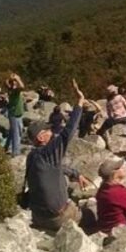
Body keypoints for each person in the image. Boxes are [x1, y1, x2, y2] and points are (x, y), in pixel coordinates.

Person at [24, 79, 88, 231]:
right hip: (56, 217)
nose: (51, 132)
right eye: (47, 131)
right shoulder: (48, 151)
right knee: (89, 215)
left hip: (37, 215)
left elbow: (57, 167)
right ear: (40, 138)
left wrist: (75, 174)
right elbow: (68, 133)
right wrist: (79, 103)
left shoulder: (32, 155)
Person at [5, 74, 26, 156]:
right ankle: (16, 152)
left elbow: (6, 82)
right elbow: (22, 87)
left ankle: (7, 147)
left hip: (16, 114)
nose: (15, 83)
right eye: (14, 82)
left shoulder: (11, 89)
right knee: (16, 133)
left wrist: (13, 78)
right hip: (15, 114)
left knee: (13, 132)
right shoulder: (15, 91)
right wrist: (17, 78)